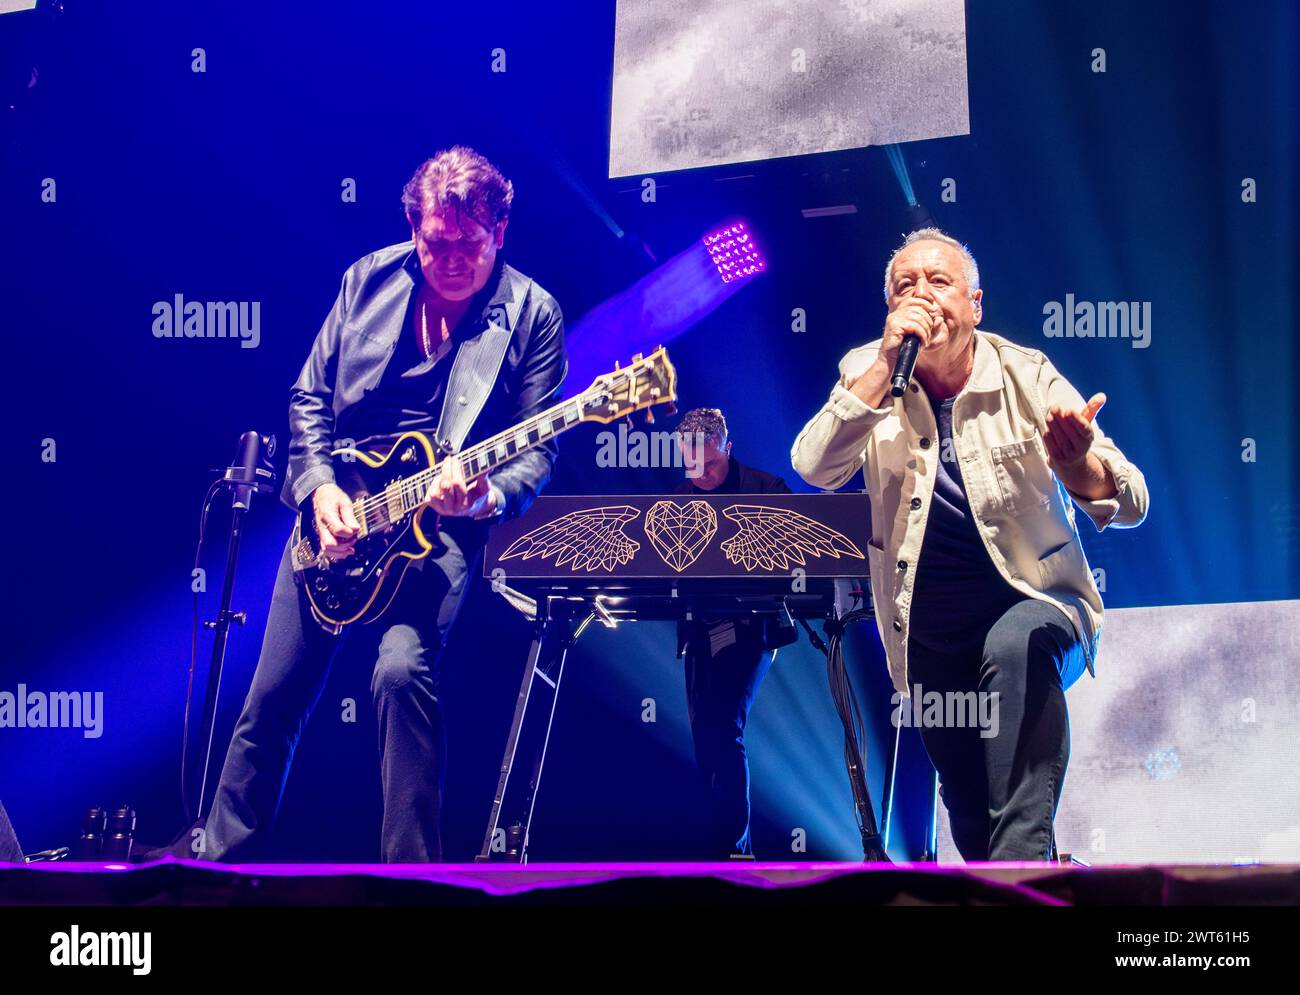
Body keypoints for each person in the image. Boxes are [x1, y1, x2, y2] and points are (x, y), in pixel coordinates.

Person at [200, 147, 567, 862]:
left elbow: (538, 450)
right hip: (336, 518)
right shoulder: (365, 278)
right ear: (412, 224)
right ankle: (215, 870)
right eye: (435, 243)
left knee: (401, 669)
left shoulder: (533, 313)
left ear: (501, 231)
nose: (452, 260)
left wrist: (484, 492)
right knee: (268, 703)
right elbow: (309, 396)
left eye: (470, 245)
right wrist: (320, 488)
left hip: (439, 527)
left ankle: (412, 883)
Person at [791, 228, 1148, 861]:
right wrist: (882, 366)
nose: (922, 295)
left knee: (1015, 649)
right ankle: (1027, 876)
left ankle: (1019, 878)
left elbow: (1132, 497)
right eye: (906, 285)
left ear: (975, 305)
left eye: (938, 282)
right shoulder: (868, 372)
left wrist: (1081, 471)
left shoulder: (1025, 373)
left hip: (1034, 600)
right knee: (970, 810)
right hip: (928, 631)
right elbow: (814, 466)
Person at [673, 407, 791, 857]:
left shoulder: (768, 490)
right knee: (704, 730)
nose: (701, 475)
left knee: (723, 721)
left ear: (728, 447)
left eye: (711, 463)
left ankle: (735, 851)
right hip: (700, 628)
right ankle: (724, 842)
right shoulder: (679, 498)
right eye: (691, 464)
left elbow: (796, 553)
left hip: (750, 625)